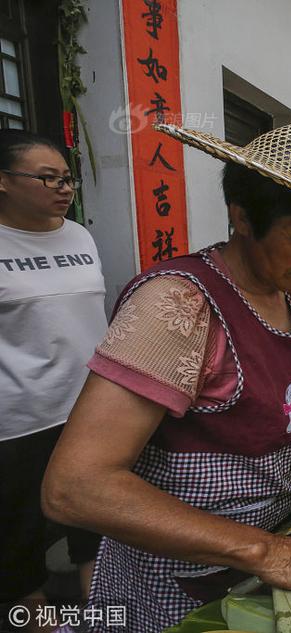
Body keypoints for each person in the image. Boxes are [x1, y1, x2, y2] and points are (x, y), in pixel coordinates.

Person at [41, 120, 291, 631]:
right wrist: (263, 550)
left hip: (278, 546)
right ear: (242, 218)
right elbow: (75, 486)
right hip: (189, 574)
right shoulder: (178, 304)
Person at [0, 130, 105, 621]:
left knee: (97, 521)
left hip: (91, 408)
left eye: (66, 178)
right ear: (3, 181)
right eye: (48, 178)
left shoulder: (79, 235)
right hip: (18, 418)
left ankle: (100, 610)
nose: (64, 189)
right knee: (18, 533)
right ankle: (36, 618)